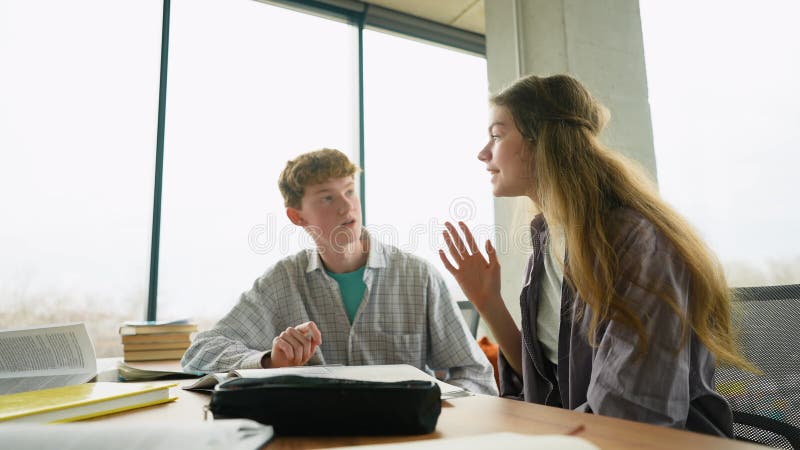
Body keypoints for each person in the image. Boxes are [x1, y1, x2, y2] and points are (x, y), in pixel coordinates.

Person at [438, 74, 752, 434]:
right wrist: (488, 302)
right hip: (585, 438)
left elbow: (631, 416)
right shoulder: (548, 237)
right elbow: (544, 382)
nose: (482, 153)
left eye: (496, 135)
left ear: (542, 140)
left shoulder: (634, 244)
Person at [182, 148, 497, 395]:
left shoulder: (419, 277)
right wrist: (269, 361)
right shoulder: (280, 282)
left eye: (349, 191)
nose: (346, 207)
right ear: (297, 217)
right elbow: (201, 352)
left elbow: (476, 375)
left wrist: (436, 410)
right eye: (327, 198)